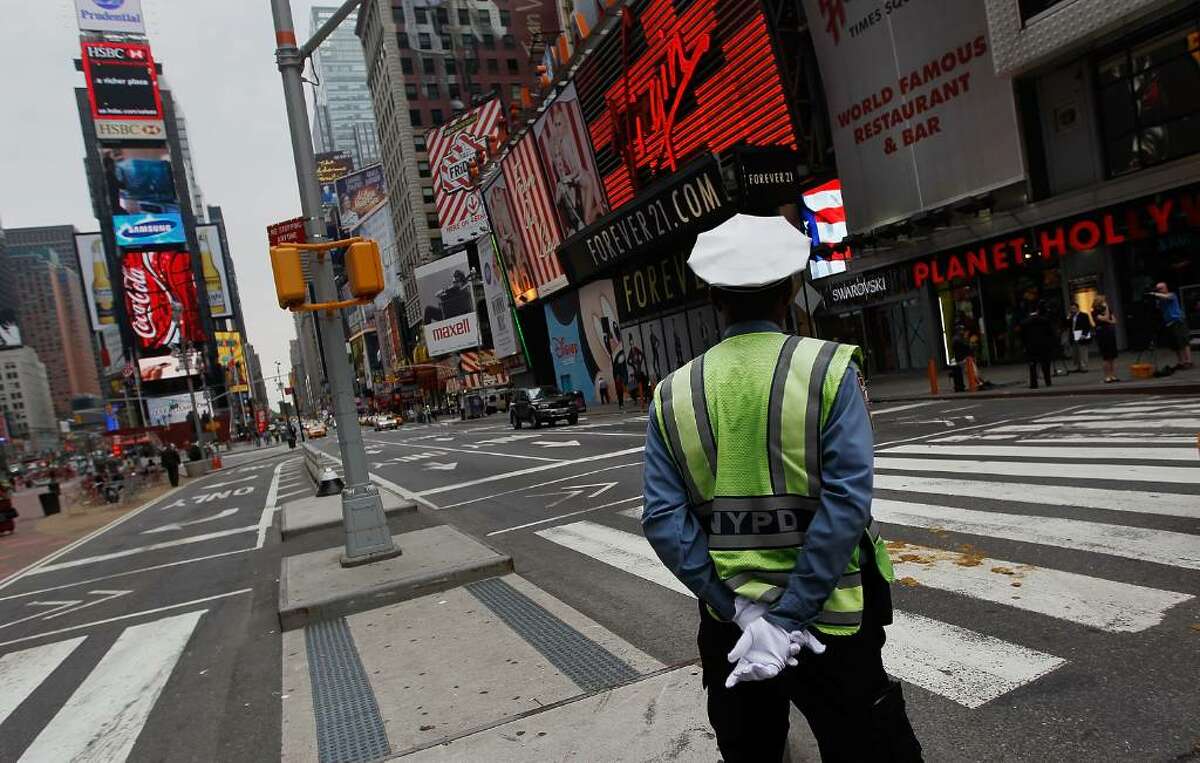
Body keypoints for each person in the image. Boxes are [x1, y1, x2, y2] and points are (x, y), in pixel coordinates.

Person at [642, 213, 921, 761]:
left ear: (711, 296)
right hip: (834, 620)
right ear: (792, 288)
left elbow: (663, 521)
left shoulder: (672, 393)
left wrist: (743, 613)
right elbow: (845, 503)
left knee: (752, 751)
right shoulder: (828, 369)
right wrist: (788, 616)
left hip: (733, 630)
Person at [1146, 282, 1193, 369]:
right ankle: (1181, 362)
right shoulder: (1160, 299)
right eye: (1158, 289)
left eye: (1161, 288)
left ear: (1166, 288)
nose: (1159, 290)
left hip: (1177, 321)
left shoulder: (1172, 295)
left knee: (1184, 342)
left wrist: (1154, 293)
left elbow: (1167, 297)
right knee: (1175, 344)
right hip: (1169, 323)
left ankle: (1188, 361)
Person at [1020, 302, 1055, 389]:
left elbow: (1022, 336)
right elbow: (1050, 333)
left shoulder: (1025, 323)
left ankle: (1034, 383)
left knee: (1032, 366)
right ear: (1038, 311)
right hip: (1044, 346)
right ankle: (1048, 381)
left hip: (1031, 347)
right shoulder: (1045, 320)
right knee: (1045, 365)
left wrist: (1024, 345)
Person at [1092, 295, 1119, 382]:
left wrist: (1108, 319)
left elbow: (1114, 321)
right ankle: (1107, 376)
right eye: (1102, 301)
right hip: (1102, 334)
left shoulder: (1108, 310)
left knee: (1112, 357)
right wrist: (1107, 310)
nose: (1104, 302)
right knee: (1106, 357)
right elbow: (1106, 318)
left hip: (1109, 332)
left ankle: (1113, 375)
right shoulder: (1094, 311)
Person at [1067, 303, 1093, 372]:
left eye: (1074, 308)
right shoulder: (1071, 317)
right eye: (1071, 309)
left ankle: (1084, 367)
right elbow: (1067, 325)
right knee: (1075, 352)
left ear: (1078, 308)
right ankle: (1078, 367)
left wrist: (1084, 334)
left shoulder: (1084, 315)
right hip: (1073, 335)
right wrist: (1068, 317)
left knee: (1083, 351)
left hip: (1081, 335)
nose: (1073, 310)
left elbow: (1087, 325)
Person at [949, 325, 973, 392]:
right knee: (968, 371)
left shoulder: (956, 338)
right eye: (962, 330)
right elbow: (966, 346)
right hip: (962, 358)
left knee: (967, 371)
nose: (963, 332)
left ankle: (971, 384)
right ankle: (971, 385)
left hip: (961, 358)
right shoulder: (959, 339)